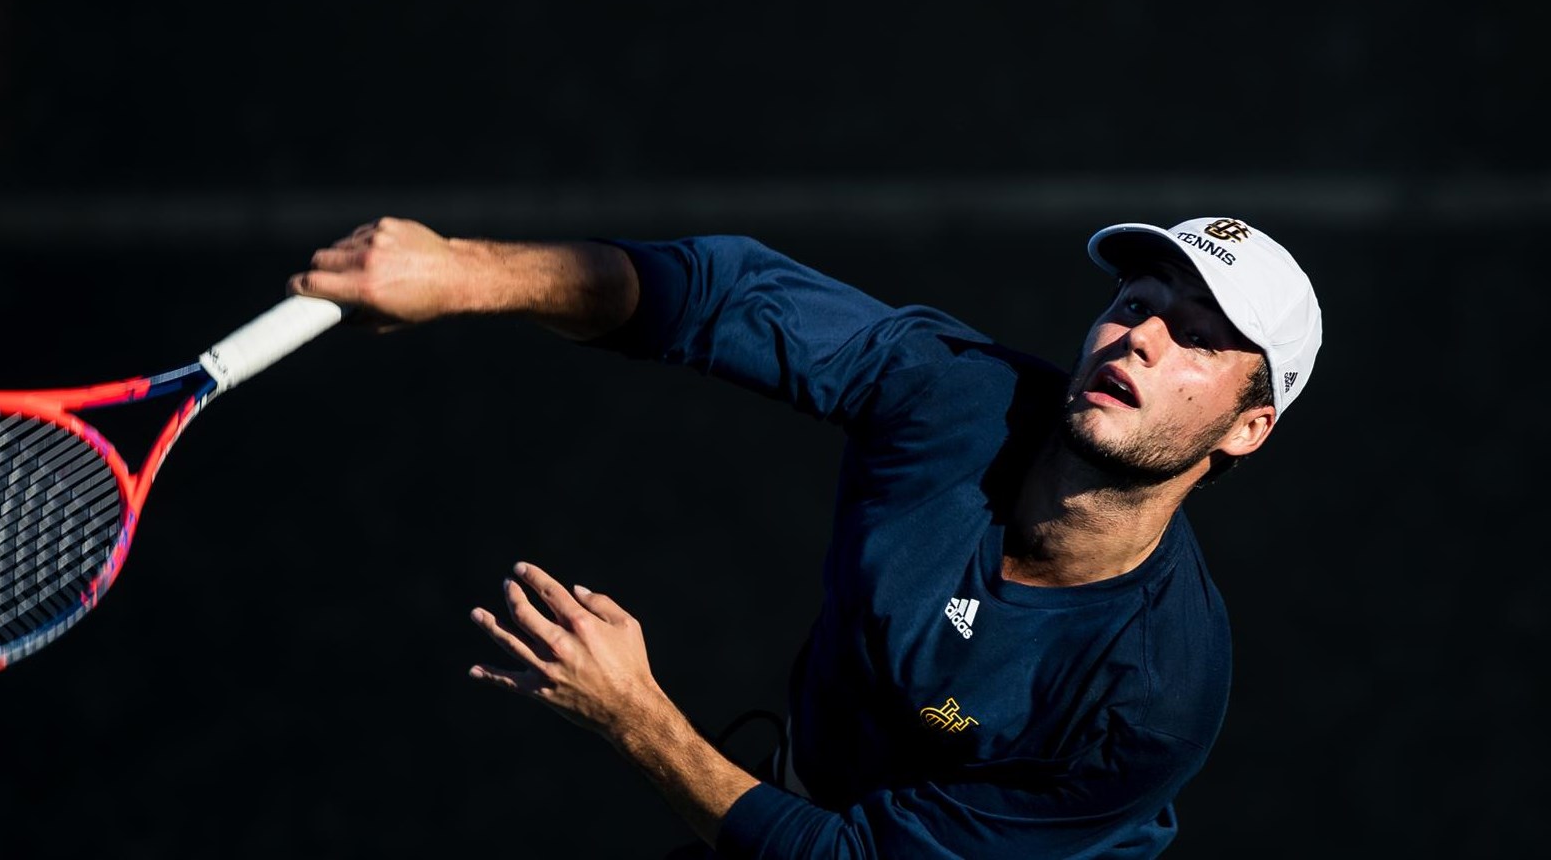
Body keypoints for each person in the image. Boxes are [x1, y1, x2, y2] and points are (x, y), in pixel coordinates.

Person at [288, 213, 1323, 858]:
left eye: (1196, 336)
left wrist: (637, 715)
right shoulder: (955, 399)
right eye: (1136, 301)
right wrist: (462, 272)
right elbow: (721, 296)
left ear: (1247, 428)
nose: (1140, 332)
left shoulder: (1155, 697)